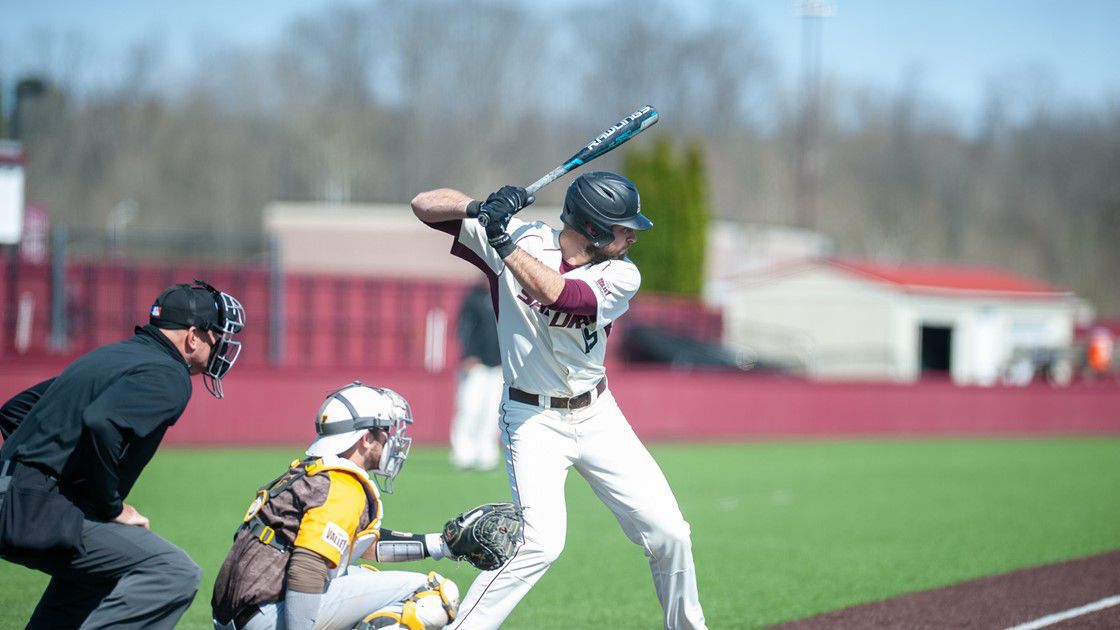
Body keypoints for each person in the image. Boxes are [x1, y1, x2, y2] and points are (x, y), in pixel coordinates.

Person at [411, 172, 707, 629]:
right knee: (540, 543)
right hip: (531, 419)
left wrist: (502, 243)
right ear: (592, 229)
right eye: (623, 227)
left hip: (597, 414)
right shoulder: (523, 237)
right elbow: (423, 203)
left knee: (671, 533)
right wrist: (476, 208)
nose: (631, 235)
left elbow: (562, 295)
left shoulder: (621, 272)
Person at [0, 280, 245, 629]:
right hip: (30, 508)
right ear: (192, 337)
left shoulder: (113, 355)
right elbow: (102, 422)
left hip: (17, 496)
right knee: (173, 573)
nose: (219, 344)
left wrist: (44, 477)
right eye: (215, 335)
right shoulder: (169, 374)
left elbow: (14, 410)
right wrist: (110, 507)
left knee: (102, 575)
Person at [211, 382, 462, 630]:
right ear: (365, 438)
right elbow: (307, 566)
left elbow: (357, 543)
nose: (391, 438)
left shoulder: (314, 471)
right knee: (434, 594)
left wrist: (440, 545)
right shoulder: (342, 486)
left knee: (367, 576)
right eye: (385, 430)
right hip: (265, 615)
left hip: (242, 613)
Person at [449, 278, 503, 471]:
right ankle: (463, 453)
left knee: (492, 413)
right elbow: (463, 328)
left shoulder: (504, 298)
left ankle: (486, 453)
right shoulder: (474, 299)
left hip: (499, 366)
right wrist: (468, 355)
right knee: (469, 408)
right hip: (476, 364)